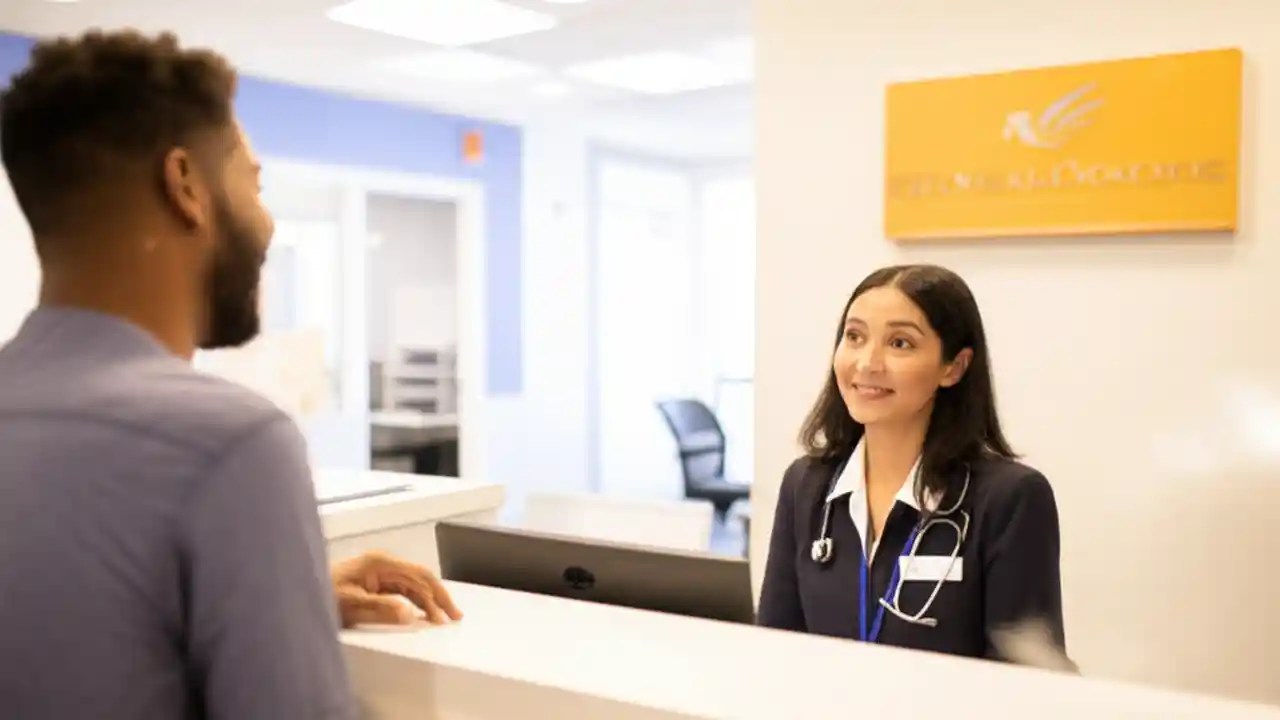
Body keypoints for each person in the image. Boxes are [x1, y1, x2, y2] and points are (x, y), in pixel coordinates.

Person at [0, 30, 460, 719]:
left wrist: (275, 601)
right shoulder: (229, 445)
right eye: (253, 180)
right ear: (185, 185)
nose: (268, 223)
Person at [757, 264, 1068, 662]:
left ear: (954, 367)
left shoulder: (1010, 499)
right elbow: (772, 652)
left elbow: (1028, 680)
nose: (867, 362)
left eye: (900, 343)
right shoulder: (806, 485)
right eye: (854, 337)